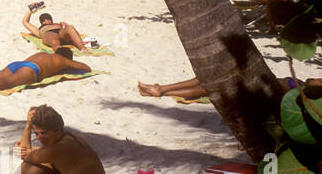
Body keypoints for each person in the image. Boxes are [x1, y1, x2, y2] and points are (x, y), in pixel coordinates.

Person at [0, 48, 91, 95]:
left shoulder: (43, 53)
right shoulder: (62, 59)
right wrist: (67, 64)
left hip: (19, 64)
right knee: (7, 83)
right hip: (32, 70)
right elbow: (86, 68)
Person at [138, 75, 322, 100]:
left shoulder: (304, 94)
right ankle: (160, 89)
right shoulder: (303, 87)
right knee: (204, 78)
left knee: (208, 86)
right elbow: (312, 80)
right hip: (257, 82)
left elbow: (313, 82)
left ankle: (161, 90)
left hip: (257, 90)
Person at [22, 6, 89, 50]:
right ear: (41, 22)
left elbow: (70, 31)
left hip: (62, 34)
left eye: (48, 18)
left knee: (70, 27)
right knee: (50, 35)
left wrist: (65, 26)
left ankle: (83, 49)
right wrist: (30, 9)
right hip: (49, 35)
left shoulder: (58, 24)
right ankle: (59, 49)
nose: (46, 20)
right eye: (43, 20)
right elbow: (25, 22)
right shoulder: (39, 30)